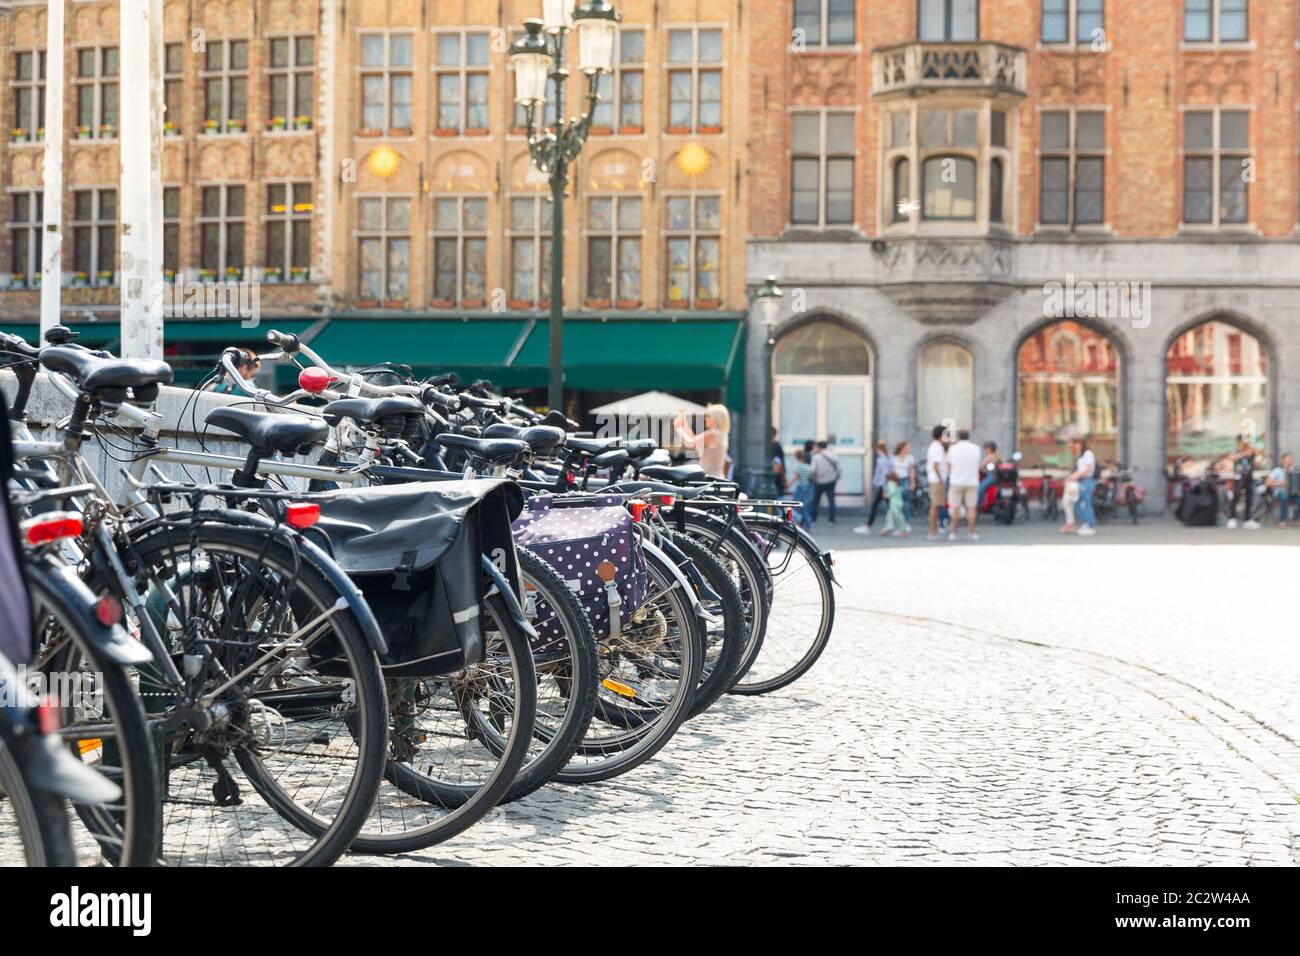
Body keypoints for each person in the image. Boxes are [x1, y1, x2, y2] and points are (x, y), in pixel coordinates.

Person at [676, 403, 730, 479]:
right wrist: (684, 425)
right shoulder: (720, 434)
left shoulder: (713, 434)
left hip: (709, 478)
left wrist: (679, 429)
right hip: (715, 477)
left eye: (708, 415)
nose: (705, 418)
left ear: (715, 418)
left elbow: (690, 443)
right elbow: (694, 439)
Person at [946, 429, 982, 541]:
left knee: (955, 508)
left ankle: (953, 533)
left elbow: (948, 465)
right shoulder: (976, 448)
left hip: (956, 481)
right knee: (971, 508)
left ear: (958, 437)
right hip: (972, 481)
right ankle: (971, 533)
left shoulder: (952, 449)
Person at [854, 440, 890, 535]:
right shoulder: (886, 458)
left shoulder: (882, 459)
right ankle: (893, 525)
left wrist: (882, 487)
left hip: (882, 486)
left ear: (878, 449)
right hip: (883, 486)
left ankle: (869, 525)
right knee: (890, 507)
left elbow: (883, 475)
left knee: (876, 506)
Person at [1225, 437, 1261, 530]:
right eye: (1243, 441)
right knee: (1235, 498)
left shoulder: (1251, 451)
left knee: (1249, 498)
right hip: (1238, 477)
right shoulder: (1236, 451)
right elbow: (1232, 458)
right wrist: (1245, 453)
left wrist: (1256, 454)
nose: (1245, 443)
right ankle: (1231, 519)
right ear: (1239, 442)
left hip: (1249, 477)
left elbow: (1256, 464)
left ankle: (1248, 520)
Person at [1065, 436, 1098, 536]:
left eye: (1076, 444)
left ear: (1080, 444)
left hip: (1087, 481)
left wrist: (1074, 476)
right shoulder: (1082, 455)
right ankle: (1086, 522)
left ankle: (1090, 524)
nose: (1075, 447)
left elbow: (1086, 469)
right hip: (1081, 481)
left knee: (1086, 503)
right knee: (1077, 503)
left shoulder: (1088, 453)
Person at [924, 424, 949, 541]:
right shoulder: (937, 447)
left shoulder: (935, 446)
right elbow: (936, 465)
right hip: (937, 480)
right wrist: (940, 479)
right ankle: (933, 531)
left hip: (935, 479)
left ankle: (935, 529)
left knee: (936, 505)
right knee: (934, 506)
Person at [809, 440, 842, 524]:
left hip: (819, 481)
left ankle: (813, 519)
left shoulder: (816, 457)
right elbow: (839, 469)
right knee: (831, 501)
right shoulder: (833, 456)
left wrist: (813, 479)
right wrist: (836, 477)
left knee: (815, 501)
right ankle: (832, 519)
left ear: (819, 447)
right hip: (831, 481)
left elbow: (812, 471)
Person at [1267, 452, 1298, 526]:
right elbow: (1268, 482)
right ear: (1283, 461)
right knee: (1284, 497)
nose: (1289, 462)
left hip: (1292, 493)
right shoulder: (1277, 470)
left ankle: (1295, 519)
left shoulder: (1295, 470)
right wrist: (1278, 482)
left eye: (1290, 460)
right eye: (1287, 460)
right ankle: (1282, 520)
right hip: (1280, 492)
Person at [891, 440, 916, 529]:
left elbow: (911, 471)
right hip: (896, 481)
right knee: (895, 503)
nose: (908, 449)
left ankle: (906, 522)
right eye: (906, 447)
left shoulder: (909, 458)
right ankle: (896, 523)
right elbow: (892, 471)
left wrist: (913, 483)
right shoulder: (894, 457)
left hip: (905, 480)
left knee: (905, 502)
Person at [787, 448, 814, 530]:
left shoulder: (799, 467)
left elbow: (796, 477)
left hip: (800, 487)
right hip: (807, 487)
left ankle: (797, 521)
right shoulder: (808, 467)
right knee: (804, 505)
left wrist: (789, 484)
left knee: (795, 505)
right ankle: (808, 523)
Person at [880, 470, 908, 537]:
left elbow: (892, 492)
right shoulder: (897, 483)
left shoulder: (890, 483)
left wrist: (886, 495)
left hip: (894, 503)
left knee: (897, 517)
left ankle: (903, 530)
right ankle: (888, 528)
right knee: (890, 516)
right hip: (899, 502)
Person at [977, 441, 1001, 511]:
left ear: (990, 449)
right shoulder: (997, 455)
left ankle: (977, 507)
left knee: (980, 489)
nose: (984, 449)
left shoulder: (989, 456)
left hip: (992, 476)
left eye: (986, 448)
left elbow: (980, 467)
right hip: (997, 476)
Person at [769, 427, 786, 492]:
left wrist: (776, 469)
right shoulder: (776, 445)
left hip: (776, 474)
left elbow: (778, 460)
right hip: (777, 473)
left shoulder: (775, 445)